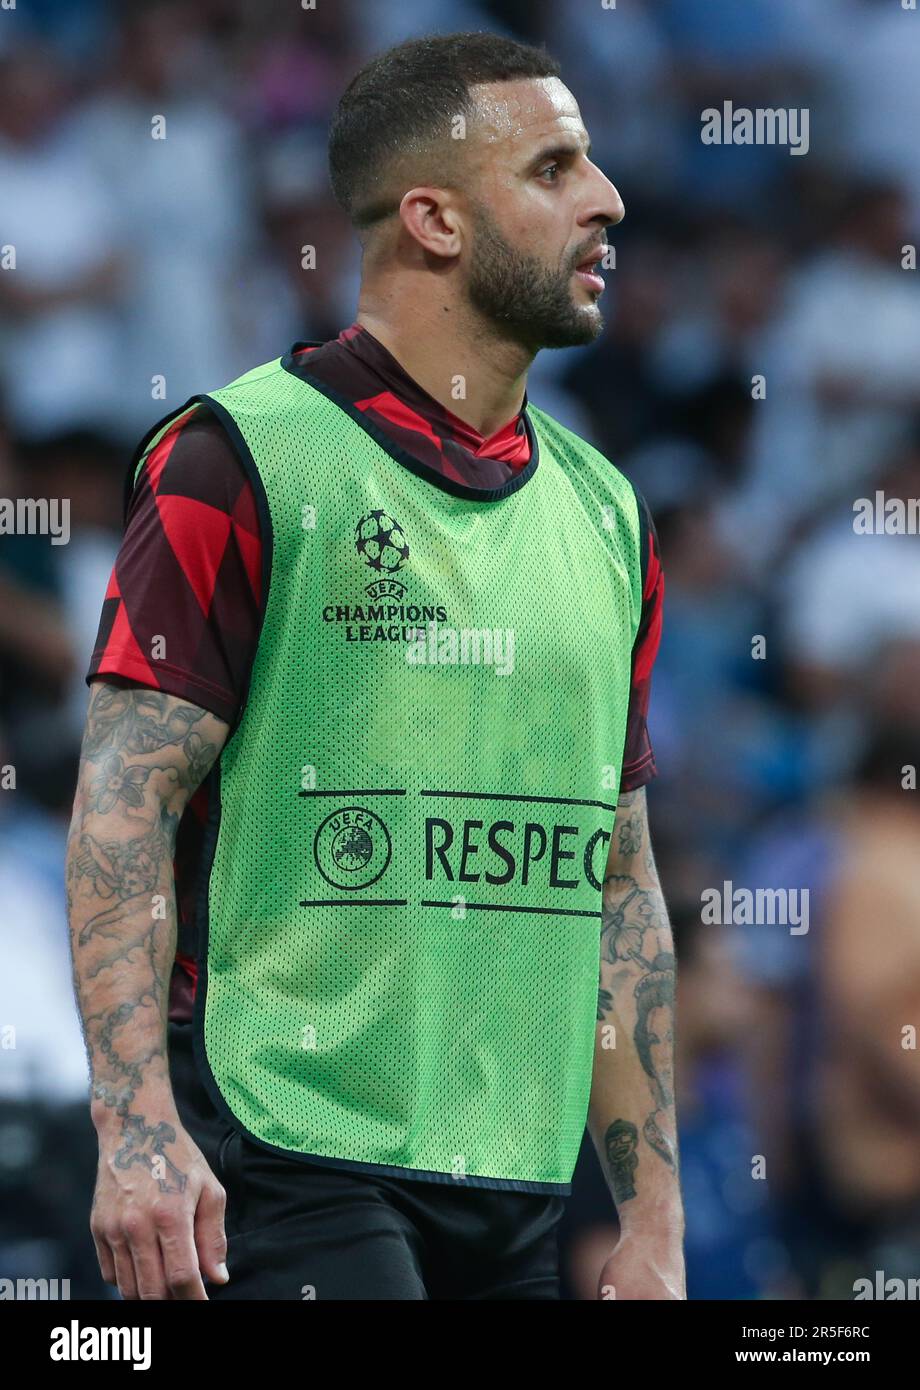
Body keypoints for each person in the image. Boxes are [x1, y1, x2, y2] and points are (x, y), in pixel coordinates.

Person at [66, 31, 683, 1301]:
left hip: (513, 1168)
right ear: (434, 221)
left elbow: (617, 875)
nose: (607, 198)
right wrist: (135, 1132)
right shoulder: (238, 457)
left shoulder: (607, 512)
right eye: (555, 166)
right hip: (283, 1147)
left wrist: (654, 1216)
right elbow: (125, 804)